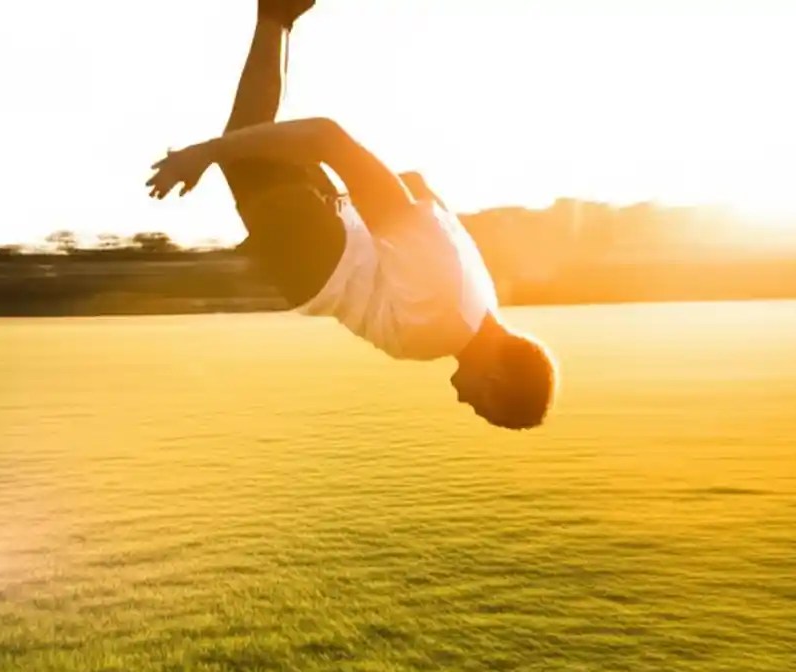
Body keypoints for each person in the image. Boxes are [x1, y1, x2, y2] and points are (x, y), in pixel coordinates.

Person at [145, 0, 557, 430]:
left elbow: (415, 183)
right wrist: (203, 155)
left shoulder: (477, 296)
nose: (464, 401)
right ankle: (275, 14)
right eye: (480, 406)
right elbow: (329, 138)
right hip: (316, 260)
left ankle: (277, 16)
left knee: (251, 138)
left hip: (328, 232)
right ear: (496, 379)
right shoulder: (442, 311)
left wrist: (338, 206)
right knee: (242, 144)